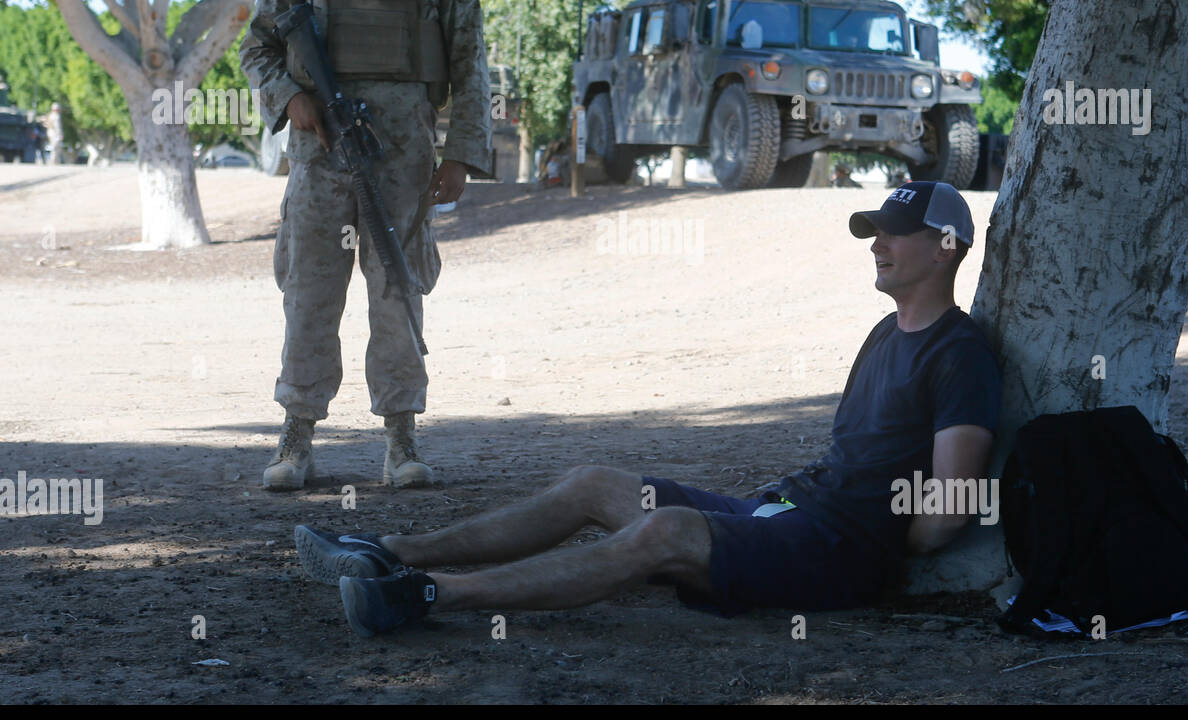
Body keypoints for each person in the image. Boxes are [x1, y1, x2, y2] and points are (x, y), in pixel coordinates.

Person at [294, 181, 1002, 636]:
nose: (877, 244)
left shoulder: (960, 353)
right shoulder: (885, 333)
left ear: (945, 248)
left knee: (665, 533)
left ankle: (427, 595)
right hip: (792, 512)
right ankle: (386, 552)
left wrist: (877, 542)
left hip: (839, 549)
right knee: (592, 483)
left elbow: (948, 510)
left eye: (895, 232)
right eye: (875, 231)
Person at [240, 0, 493, 491]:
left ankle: (401, 442)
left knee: (399, 296)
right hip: (322, 159)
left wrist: (461, 154)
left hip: (405, 163)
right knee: (310, 297)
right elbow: (256, 47)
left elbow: (472, 69)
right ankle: (296, 439)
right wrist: (291, 96)